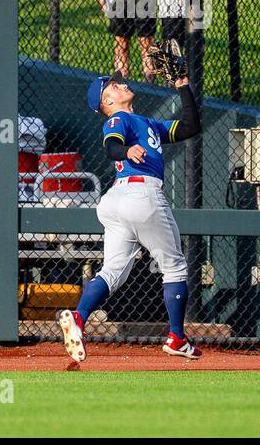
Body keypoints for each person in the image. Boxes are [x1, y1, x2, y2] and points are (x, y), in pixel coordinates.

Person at [57, 72, 204, 362]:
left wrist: (183, 84)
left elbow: (190, 126)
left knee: (112, 272)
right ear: (107, 100)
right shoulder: (117, 118)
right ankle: (176, 337)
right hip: (141, 195)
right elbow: (111, 147)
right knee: (174, 268)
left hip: (117, 202)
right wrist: (126, 149)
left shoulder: (148, 124)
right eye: (113, 85)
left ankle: (79, 316)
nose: (122, 83)